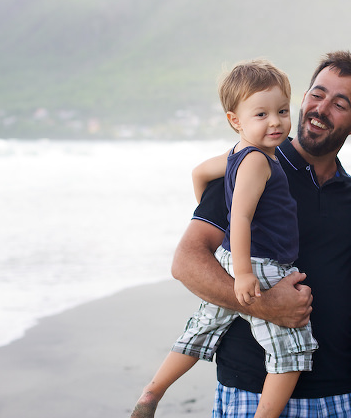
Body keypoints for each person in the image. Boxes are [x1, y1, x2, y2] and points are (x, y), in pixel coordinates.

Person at [168, 51, 351, 417]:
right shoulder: (253, 163)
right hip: (250, 386)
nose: (320, 108)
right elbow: (186, 263)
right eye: (317, 94)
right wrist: (265, 305)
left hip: (340, 392)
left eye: (339, 103)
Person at [130, 60, 317, 418]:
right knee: (292, 348)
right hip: (260, 264)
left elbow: (199, 173)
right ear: (236, 121)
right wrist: (245, 275)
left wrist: (209, 199)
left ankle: (152, 392)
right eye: (261, 114)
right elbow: (241, 219)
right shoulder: (259, 162)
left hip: (233, 258)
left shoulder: (235, 154)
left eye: (281, 111)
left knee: (205, 327)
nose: (275, 122)